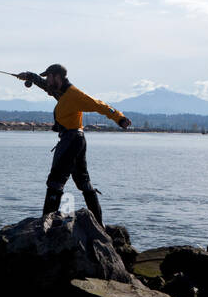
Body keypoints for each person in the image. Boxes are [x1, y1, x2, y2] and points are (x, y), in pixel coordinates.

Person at [16, 63, 131, 222]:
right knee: (84, 183)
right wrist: (30, 76)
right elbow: (45, 86)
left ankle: (45, 224)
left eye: (48, 76)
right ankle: (98, 224)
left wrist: (120, 118)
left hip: (71, 141)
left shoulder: (75, 95)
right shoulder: (61, 92)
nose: (47, 80)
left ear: (57, 77)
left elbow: (100, 105)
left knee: (55, 182)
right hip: (77, 140)